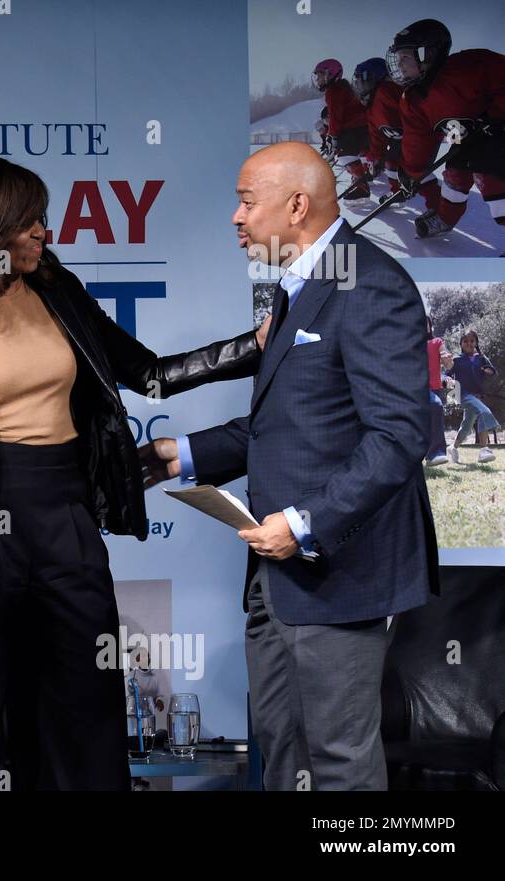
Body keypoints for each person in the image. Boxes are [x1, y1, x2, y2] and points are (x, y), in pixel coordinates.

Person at [0, 153, 264, 791]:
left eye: (43, 219)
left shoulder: (58, 291)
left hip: (65, 510)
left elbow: (150, 373)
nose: (44, 232)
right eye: (29, 220)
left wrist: (252, 347)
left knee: (84, 697)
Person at [140, 141, 439, 791]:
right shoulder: (298, 288)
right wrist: (182, 456)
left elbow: (395, 437)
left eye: (247, 201)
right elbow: (288, 426)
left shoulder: (372, 285)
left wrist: (304, 524)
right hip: (273, 580)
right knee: (281, 751)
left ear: (297, 205)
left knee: (339, 761)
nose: (235, 218)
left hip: (336, 574)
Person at [388, 19, 505, 239]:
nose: (400, 65)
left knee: (493, 182)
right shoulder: (413, 100)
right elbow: (418, 141)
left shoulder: (470, 66)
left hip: (497, 136)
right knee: (454, 177)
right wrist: (410, 172)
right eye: (398, 58)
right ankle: (445, 217)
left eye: (405, 57)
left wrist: (496, 116)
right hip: (464, 142)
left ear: (429, 53)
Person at [340, 58, 404, 202]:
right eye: (357, 83)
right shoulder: (372, 105)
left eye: (363, 82)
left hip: (416, 139)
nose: (359, 87)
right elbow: (377, 136)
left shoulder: (388, 93)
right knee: (391, 163)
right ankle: (397, 192)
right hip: (400, 139)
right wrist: (376, 158)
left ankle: (435, 206)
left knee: (410, 170)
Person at [449, 330, 499, 463]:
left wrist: (489, 371)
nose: (469, 343)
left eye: (472, 341)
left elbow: (493, 371)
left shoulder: (481, 358)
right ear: (461, 344)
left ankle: (453, 448)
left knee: (467, 425)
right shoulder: (456, 360)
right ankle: (484, 450)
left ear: (476, 343)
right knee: (483, 412)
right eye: (465, 341)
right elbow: (446, 374)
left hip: (477, 396)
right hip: (462, 395)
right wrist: (447, 381)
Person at [313, 58, 368, 174]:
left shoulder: (333, 91)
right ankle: (363, 171)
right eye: (316, 77)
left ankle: (360, 182)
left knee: (344, 153)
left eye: (320, 76)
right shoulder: (342, 87)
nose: (318, 80)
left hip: (354, 130)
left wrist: (333, 136)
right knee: (358, 152)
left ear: (330, 74)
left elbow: (335, 116)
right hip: (362, 128)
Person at [425, 317, 452, 466]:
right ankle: (434, 453)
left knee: (435, 407)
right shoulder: (410, 345)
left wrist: (447, 360)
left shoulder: (437, 342)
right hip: (416, 389)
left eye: (425, 322)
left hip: (434, 389)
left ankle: (433, 455)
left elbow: (447, 361)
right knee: (435, 406)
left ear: (430, 326)